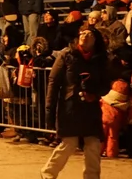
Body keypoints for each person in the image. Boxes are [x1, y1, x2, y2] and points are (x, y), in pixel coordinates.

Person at [42, 28, 109, 179]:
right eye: (82, 33)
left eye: (89, 34)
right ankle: (48, 174)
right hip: (69, 107)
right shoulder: (67, 54)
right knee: (68, 144)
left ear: (95, 40)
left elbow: (106, 84)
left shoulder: (101, 59)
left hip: (90, 109)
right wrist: (49, 110)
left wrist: (95, 94)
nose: (84, 36)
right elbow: (53, 82)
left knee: (93, 145)